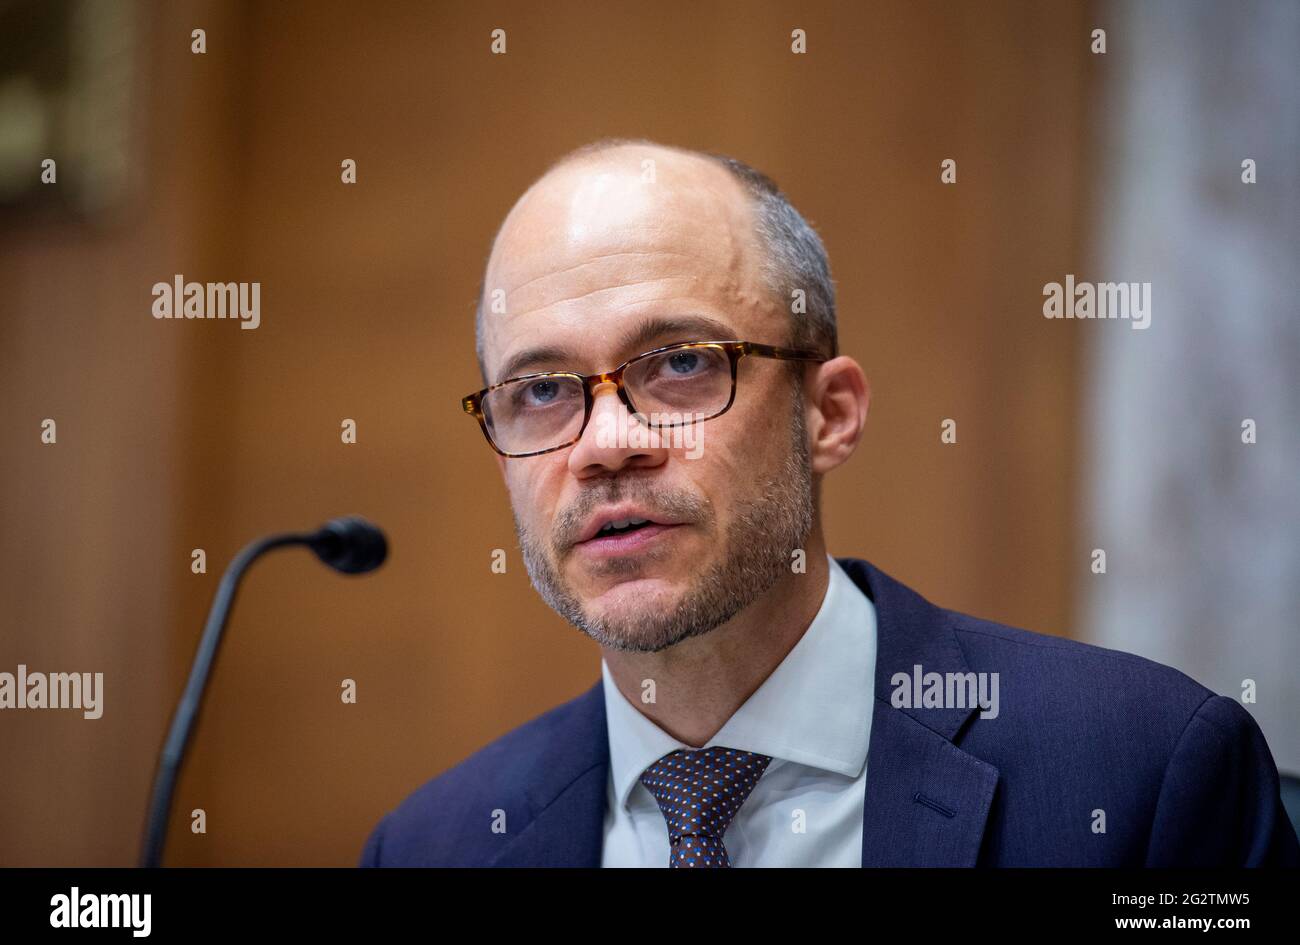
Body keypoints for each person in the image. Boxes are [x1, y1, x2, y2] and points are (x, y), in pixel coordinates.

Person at [360, 138, 1299, 867]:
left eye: (683, 363)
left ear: (829, 414)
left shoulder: (1141, 772)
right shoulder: (434, 845)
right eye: (541, 390)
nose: (607, 444)